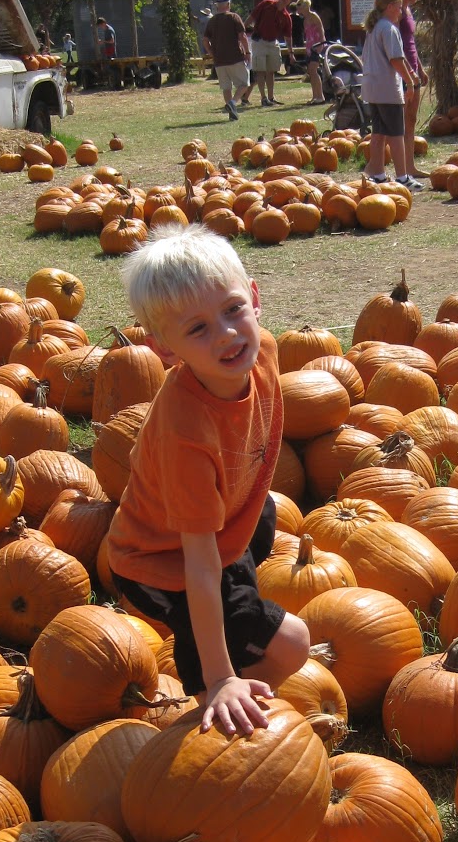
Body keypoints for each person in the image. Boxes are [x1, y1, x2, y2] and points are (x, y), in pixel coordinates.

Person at [106, 227, 310, 738]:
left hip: (222, 527)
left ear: (255, 298)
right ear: (164, 347)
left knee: (264, 520)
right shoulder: (184, 432)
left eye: (233, 309)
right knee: (293, 644)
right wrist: (220, 677)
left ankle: (237, 683)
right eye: (197, 329)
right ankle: (213, 708)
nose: (225, 334)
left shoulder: (263, 350)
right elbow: (198, 566)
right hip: (161, 560)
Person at [361, 0, 420, 189]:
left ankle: (378, 174)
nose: (402, 11)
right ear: (389, 7)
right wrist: (409, 82)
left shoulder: (374, 28)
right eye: (399, 6)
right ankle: (402, 177)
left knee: (378, 133)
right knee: (396, 134)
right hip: (387, 88)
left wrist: (411, 73)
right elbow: (395, 59)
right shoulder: (389, 28)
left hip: (372, 87)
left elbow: (396, 57)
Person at [397, 0, 429, 174]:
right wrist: (408, 70)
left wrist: (420, 68)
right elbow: (396, 44)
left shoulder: (408, 10)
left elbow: (411, 44)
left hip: (413, 69)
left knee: (411, 119)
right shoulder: (396, 9)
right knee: (399, 121)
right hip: (402, 71)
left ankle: (410, 166)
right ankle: (400, 167)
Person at [203, 0, 252, 120]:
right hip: (235, 57)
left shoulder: (212, 21)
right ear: (229, 4)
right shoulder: (234, 17)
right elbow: (242, 36)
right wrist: (247, 52)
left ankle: (232, 114)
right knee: (244, 83)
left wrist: (212, 53)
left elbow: (205, 40)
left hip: (219, 60)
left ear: (217, 5)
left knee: (226, 87)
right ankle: (233, 103)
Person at [244, 0, 295, 106]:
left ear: (289, 1)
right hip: (260, 41)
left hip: (273, 42)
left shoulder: (286, 16)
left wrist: (291, 53)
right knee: (260, 71)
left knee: (271, 71)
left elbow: (288, 36)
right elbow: (252, 17)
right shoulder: (267, 4)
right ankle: (263, 98)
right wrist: (242, 29)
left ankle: (271, 98)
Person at [293, 0, 327, 105]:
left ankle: (320, 96)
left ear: (305, 6)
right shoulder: (304, 20)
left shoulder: (313, 16)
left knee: (313, 70)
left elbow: (321, 30)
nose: (298, 10)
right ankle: (315, 96)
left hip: (317, 46)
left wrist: (321, 44)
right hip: (309, 47)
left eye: (300, 7)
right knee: (310, 72)